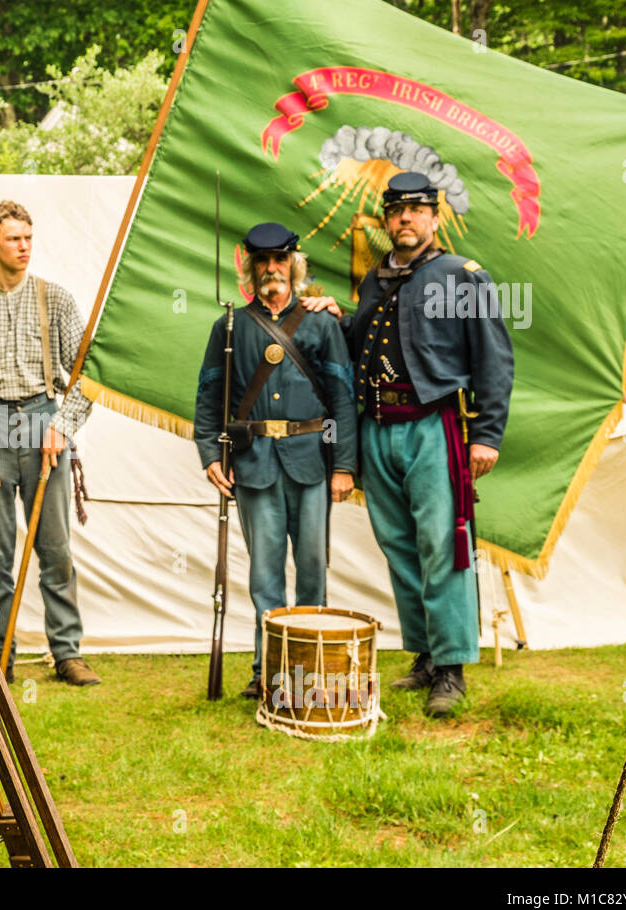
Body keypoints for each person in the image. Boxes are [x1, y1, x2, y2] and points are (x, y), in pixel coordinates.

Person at [333, 171, 514, 717]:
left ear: (435, 218)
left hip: (432, 425)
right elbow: (357, 346)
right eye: (396, 212)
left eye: (416, 210)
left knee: (444, 543)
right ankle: (426, 656)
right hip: (377, 428)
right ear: (386, 221)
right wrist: (331, 315)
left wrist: (485, 433)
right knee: (400, 546)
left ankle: (453, 668)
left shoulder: (462, 276)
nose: (405, 219)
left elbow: (494, 359)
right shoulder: (372, 281)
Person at [192, 223, 357, 700]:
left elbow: (343, 400)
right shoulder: (228, 328)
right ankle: (268, 670)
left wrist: (344, 466)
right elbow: (209, 397)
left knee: (312, 570)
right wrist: (209, 454)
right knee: (264, 575)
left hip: (312, 463)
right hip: (254, 465)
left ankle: (308, 669)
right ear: (251, 268)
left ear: (294, 266)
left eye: (279, 261)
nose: (271, 270)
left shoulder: (321, 323)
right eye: (262, 262)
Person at [0, 200, 100, 686]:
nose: (24, 247)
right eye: (14, 239)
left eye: (29, 238)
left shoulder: (55, 299)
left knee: (55, 547)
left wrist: (63, 426)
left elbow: (87, 375)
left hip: (41, 419)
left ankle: (67, 653)